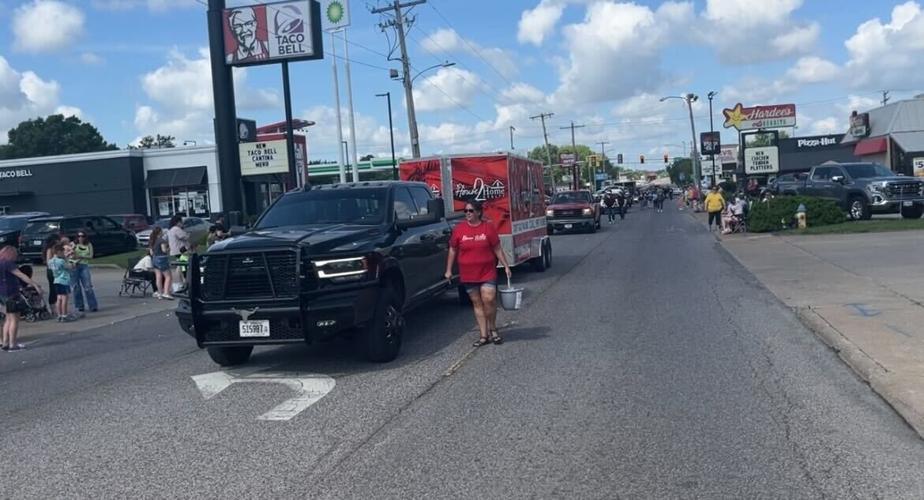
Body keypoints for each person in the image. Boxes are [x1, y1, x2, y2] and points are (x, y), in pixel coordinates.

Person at [444, 201, 512, 347]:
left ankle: (493, 328)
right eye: (466, 211)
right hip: (468, 273)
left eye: (471, 211)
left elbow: (497, 248)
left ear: (479, 212)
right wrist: (448, 270)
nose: (468, 213)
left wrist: (506, 266)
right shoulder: (459, 230)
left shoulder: (488, 228)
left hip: (487, 271)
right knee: (477, 303)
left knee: (489, 299)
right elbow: (453, 250)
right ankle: (483, 335)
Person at [0, 246, 42, 352]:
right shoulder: (8, 264)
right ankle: (12, 344)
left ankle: (5, 342)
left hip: (3, 294)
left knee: (8, 319)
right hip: (11, 293)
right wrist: (34, 284)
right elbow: (21, 275)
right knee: (14, 319)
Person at [48, 243, 75, 322]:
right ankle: (64, 315)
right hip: (64, 280)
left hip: (56, 280)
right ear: (59, 252)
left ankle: (59, 315)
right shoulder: (61, 261)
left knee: (59, 298)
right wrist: (72, 263)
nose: (64, 253)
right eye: (63, 252)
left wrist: (66, 256)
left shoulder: (51, 261)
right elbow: (69, 267)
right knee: (64, 299)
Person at [72, 231, 98, 314]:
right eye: (79, 236)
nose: (80, 238)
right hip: (74, 266)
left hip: (84, 265)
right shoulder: (73, 244)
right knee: (76, 287)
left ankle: (93, 305)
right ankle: (80, 306)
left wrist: (81, 256)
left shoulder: (88, 244)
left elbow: (91, 256)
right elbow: (68, 253)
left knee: (88, 286)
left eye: (82, 236)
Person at [149, 226, 173, 300]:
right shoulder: (161, 240)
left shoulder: (152, 241)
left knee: (158, 276)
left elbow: (151, 252)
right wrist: (169, 248)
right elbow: (164, 250)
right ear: (159, 232)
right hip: (162, 259)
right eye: (162, 231)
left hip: (155, 259)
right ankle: (166, 292)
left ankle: (159, 293)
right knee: (168, 276)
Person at [167, 215, 189, 293]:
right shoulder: (177, 229)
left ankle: (180, 283)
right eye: (181, 222)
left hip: (175, 251)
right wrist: (188, 233)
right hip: (180, 250)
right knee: (180, 267)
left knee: (180, 267)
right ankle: (179, 283)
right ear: (178, 222)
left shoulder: (170, 230)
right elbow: (185, 237)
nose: (182, 223)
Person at [42, 234, 59, 306]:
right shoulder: (50, 249)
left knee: (58, 290)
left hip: (57, 270)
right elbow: (49, 261)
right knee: (53, 289)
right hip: (52, 271)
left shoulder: (56, 248)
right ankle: (53, 306)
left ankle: (58, 307)